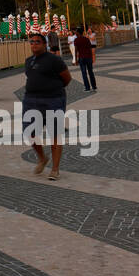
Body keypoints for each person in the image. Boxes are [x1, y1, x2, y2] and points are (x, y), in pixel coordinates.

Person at [23, 34, 71, 181]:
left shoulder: (54, 60)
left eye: (37, 42)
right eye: (31, 42)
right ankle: (42, 158)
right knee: (29, 132)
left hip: (53, 100)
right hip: (31, 100)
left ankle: (55, 169)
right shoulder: (28, 61)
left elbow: (67, 78)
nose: (34, 44)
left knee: (54, 133)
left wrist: (53, 88)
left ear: (45, 44)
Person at [72, 26, 97, 92]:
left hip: (82, 58)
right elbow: (90, 49)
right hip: (88, 57)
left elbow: (76, 51)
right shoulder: (86, 39)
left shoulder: (76, 40)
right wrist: (91, 58)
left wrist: (76, 60)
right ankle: (94, 86)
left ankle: (87, 87)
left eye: (76, 32)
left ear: (78, 33)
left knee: (84, 73)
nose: (75, 33)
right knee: (91, 72)